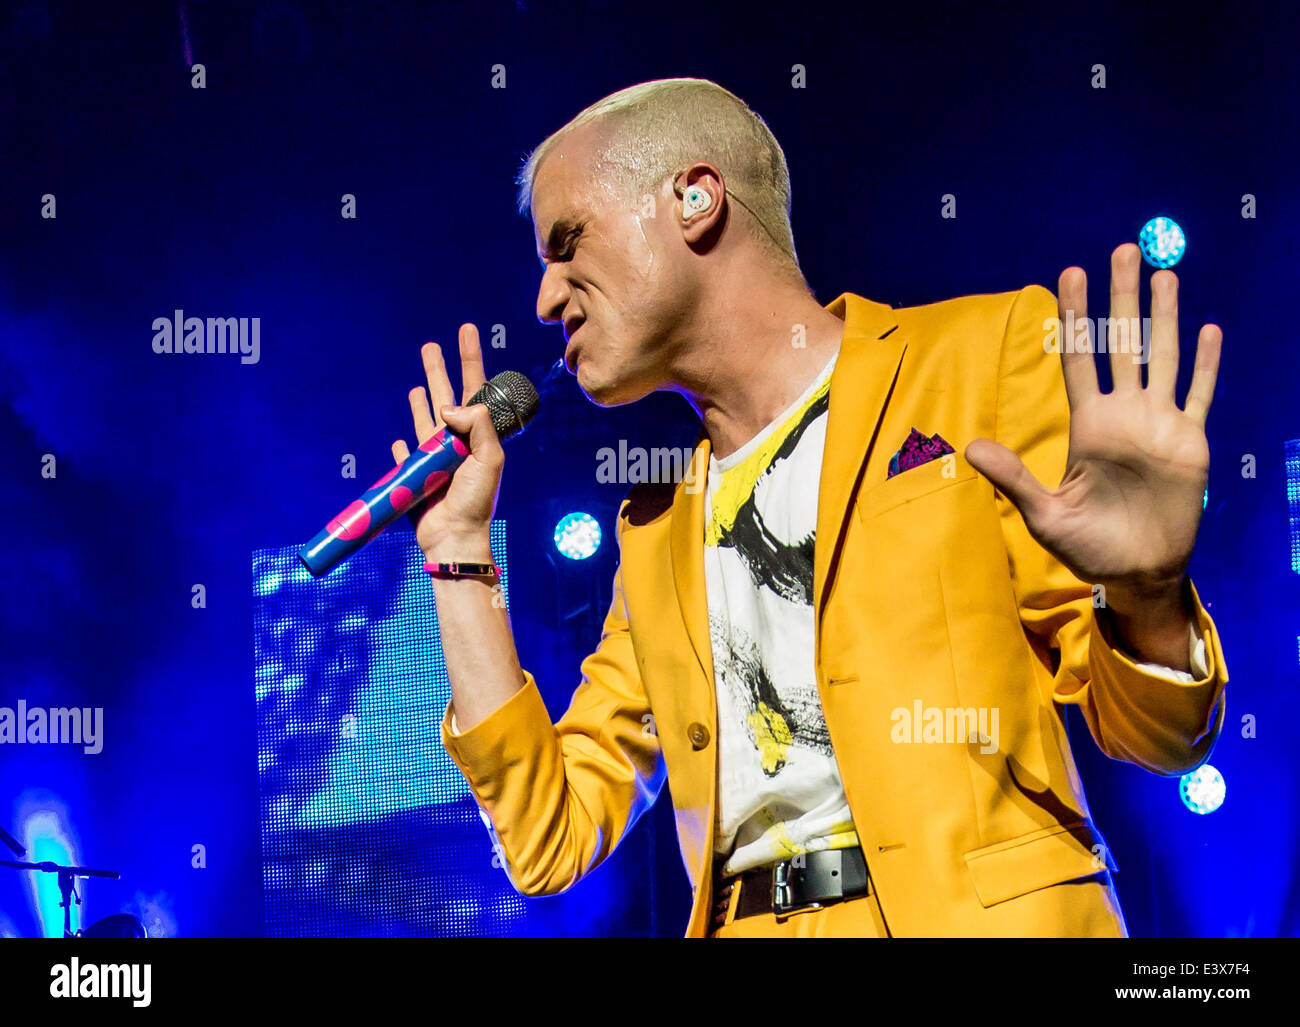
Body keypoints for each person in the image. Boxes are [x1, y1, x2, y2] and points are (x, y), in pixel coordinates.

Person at [389, 78, 1228, 938]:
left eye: (567, 246)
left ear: (695, 197)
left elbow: (1162, 738)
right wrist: (457, 554)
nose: (545, 298)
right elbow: (547, 839)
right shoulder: (654, 530)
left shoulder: (979, 357)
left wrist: (1149, 595)